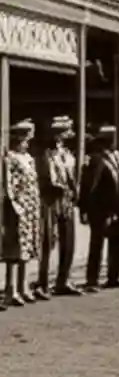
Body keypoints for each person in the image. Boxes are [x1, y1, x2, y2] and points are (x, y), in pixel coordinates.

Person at [34, 116, 81, 298]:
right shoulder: (45, 154)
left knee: (68, 241)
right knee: (47, 242)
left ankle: (63, 279)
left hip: (66, 200)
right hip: (50, 200)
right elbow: (46, 178)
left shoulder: (67, 153)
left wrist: (73, 190)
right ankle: (42, 282)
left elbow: (72, 175)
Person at [79, 125, 119, 292]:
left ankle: (114, 276)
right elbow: (90, 187)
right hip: (100, 209)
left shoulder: (117, 158)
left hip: (117, 208)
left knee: (116, 243)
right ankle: (92, 279)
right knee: (97, 244)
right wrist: (85, 208)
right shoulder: (96, 159)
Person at [3, 119, 42, 306]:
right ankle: (10, 289)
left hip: (30, 207)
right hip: (17, 208)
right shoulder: (9, 159)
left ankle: (23, 285)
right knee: (14, 250)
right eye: (23, 139)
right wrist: (14, 205)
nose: (26, 143)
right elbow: (8, 185)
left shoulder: (29, 159)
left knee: (27, 248)